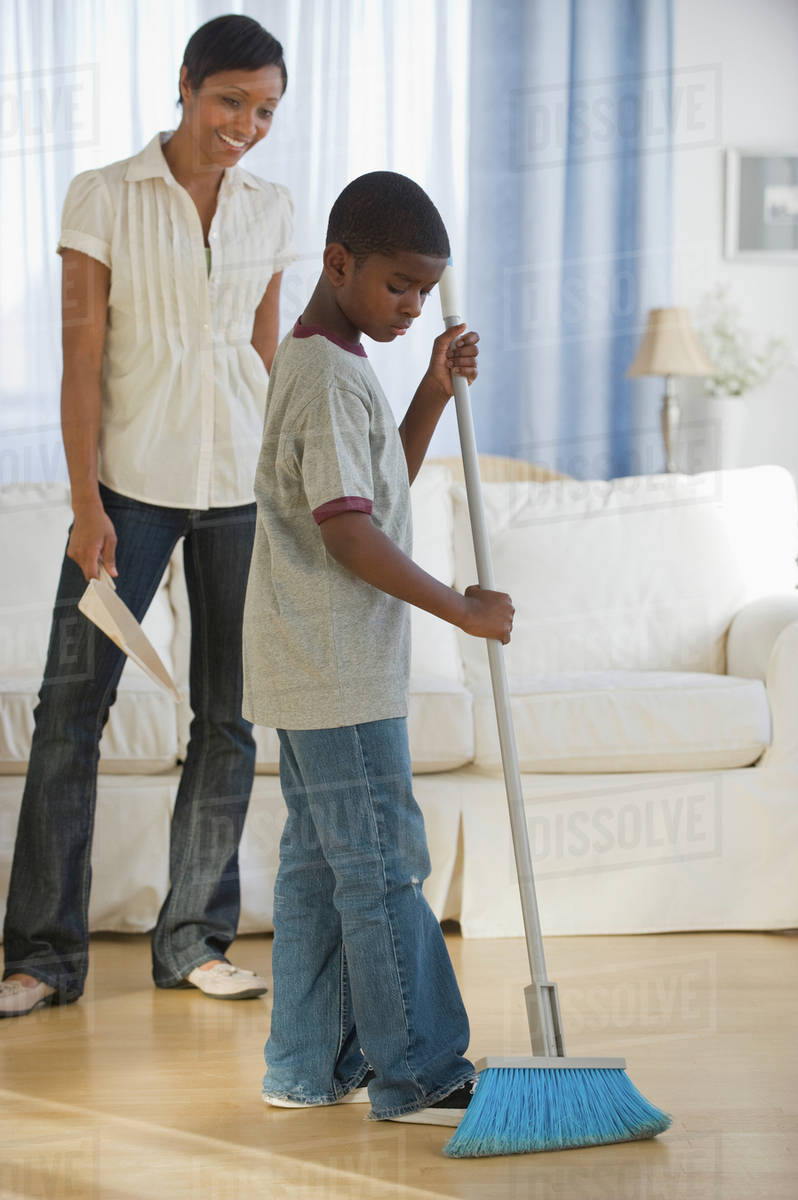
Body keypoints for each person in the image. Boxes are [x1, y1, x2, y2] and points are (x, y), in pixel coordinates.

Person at [0, 14, 296, 1018]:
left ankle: (194, 941)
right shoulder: (104, 195)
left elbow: (262, 354)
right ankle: (42, 956)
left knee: (226, 719)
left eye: (263, 111)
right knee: (68, 716)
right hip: (127, 492)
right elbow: (80, 358)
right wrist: (86, 504)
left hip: (239, 497)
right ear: (185, 85)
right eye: (229, 103)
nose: (244, 127)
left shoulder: (270, 207)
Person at [242, 171, 514, 1125]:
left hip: (312, 666)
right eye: (399, 285)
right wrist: (461, 610)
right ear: (338, 261)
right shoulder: (322, 375)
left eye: (426, 292)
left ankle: (305, 1066)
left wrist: (432, 392)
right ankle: (422, 1071)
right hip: (339, 671)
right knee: (385, 865)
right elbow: (349, 534)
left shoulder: (326, 361)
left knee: (320, 867)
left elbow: (374, 489)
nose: (412, 307)